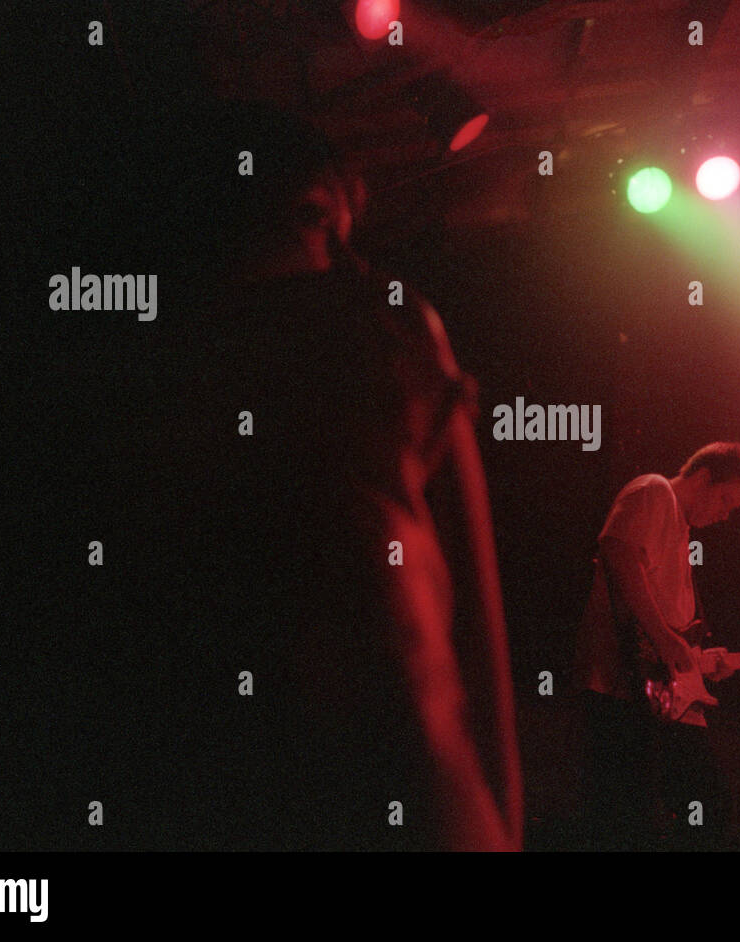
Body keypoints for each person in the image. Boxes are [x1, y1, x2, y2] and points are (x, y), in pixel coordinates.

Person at [115, 102, 520, 851]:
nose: (346, 256)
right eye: (313, 220)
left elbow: (482, 647)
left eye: (344, 229)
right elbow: (483, 645)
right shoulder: (382, 329)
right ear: (228, 218)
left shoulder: (390, 332)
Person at [573, 441, 740, 850]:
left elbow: (674, 631)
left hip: (652, 695)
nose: (724, 515)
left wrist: (698, 660)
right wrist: (665, 638)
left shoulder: (681, 532)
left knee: (680, 807)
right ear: (704, 477)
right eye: (725, 500)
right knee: (668, 808)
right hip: (621, 687)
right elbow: (617, 551)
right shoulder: (654, 491)